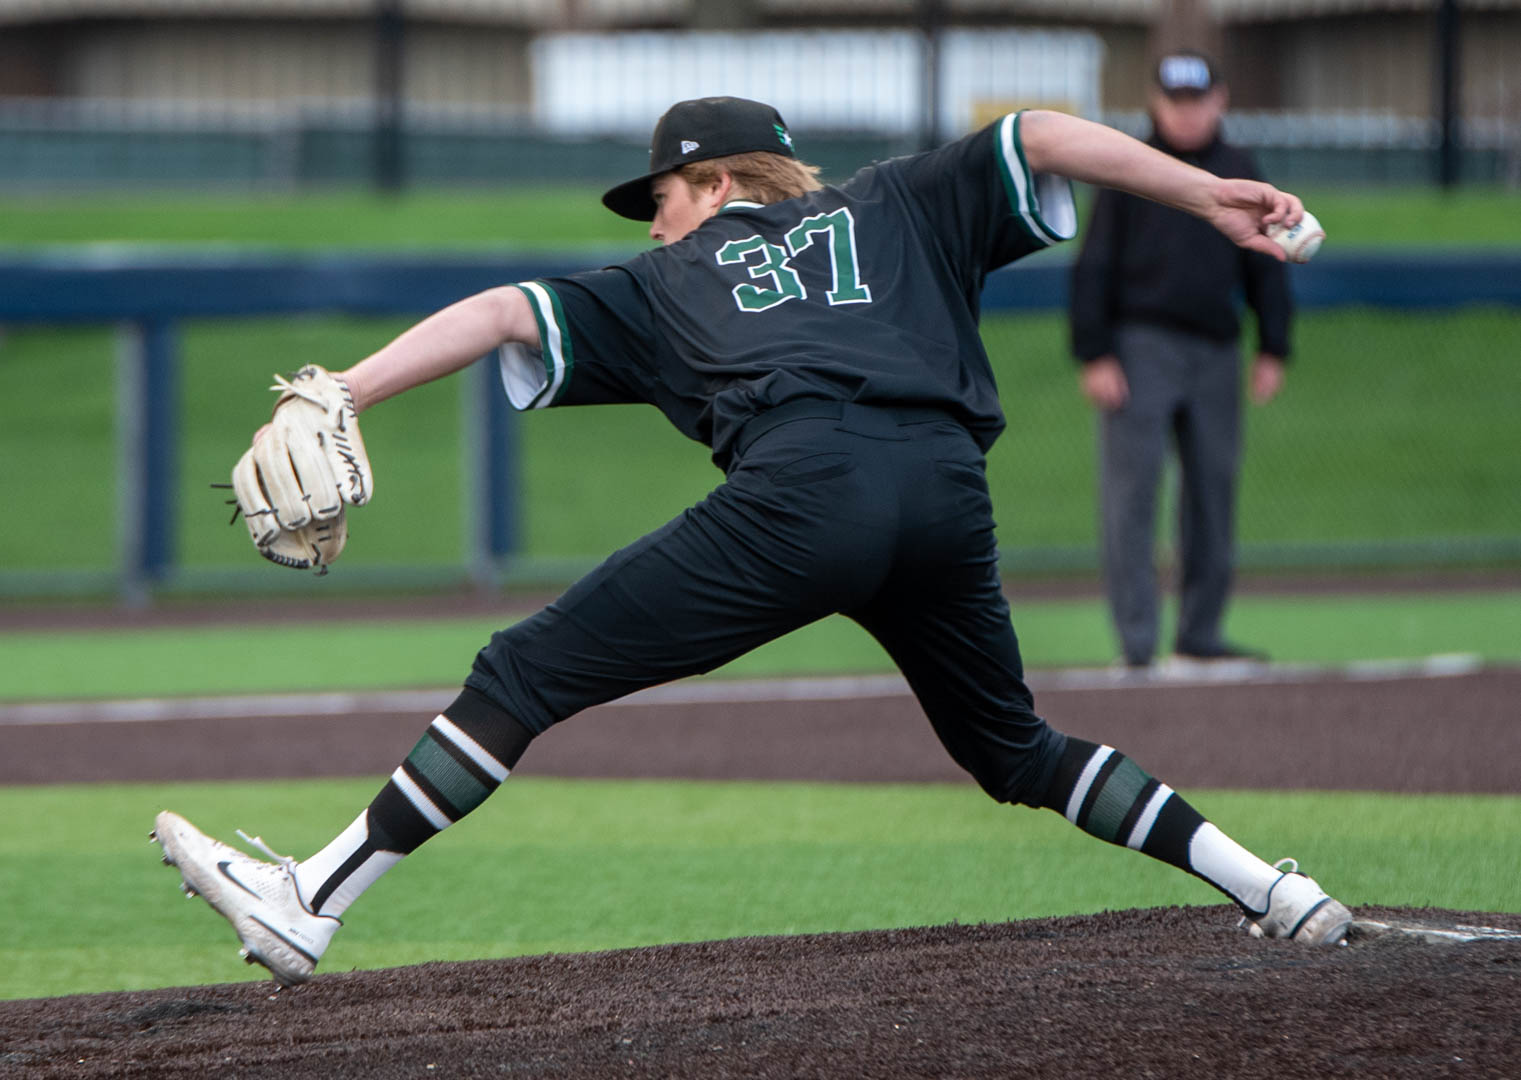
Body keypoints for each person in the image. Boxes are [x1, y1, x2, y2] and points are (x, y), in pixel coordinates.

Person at [153, 96, 1350, 988]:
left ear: (718, 184)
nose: (654, 219)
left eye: (662, 196)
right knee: (1015, 749)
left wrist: (345, 390)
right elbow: (1036, 132)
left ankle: (311, 898)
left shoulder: (667, 280)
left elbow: (501, 312)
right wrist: (1205, 192)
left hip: (805, 494)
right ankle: (1273, 887)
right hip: (942, 491)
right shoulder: (899, 201)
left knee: (521, 674)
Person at [1069, 51, 1292, 671]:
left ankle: (1199, 633)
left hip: (1217, 349)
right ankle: (1137, 642)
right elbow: (1094, 267)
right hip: (1141, 346)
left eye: (1197, 101)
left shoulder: (1241, 169)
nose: (1186, 113)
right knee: (1131, 496)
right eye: (1174, 101)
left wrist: (1272, 345)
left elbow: (1266, 265)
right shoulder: (1133, 171)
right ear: (1155, 103)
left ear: (1219, 101)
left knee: (1213, 492)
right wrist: (1095, 351)